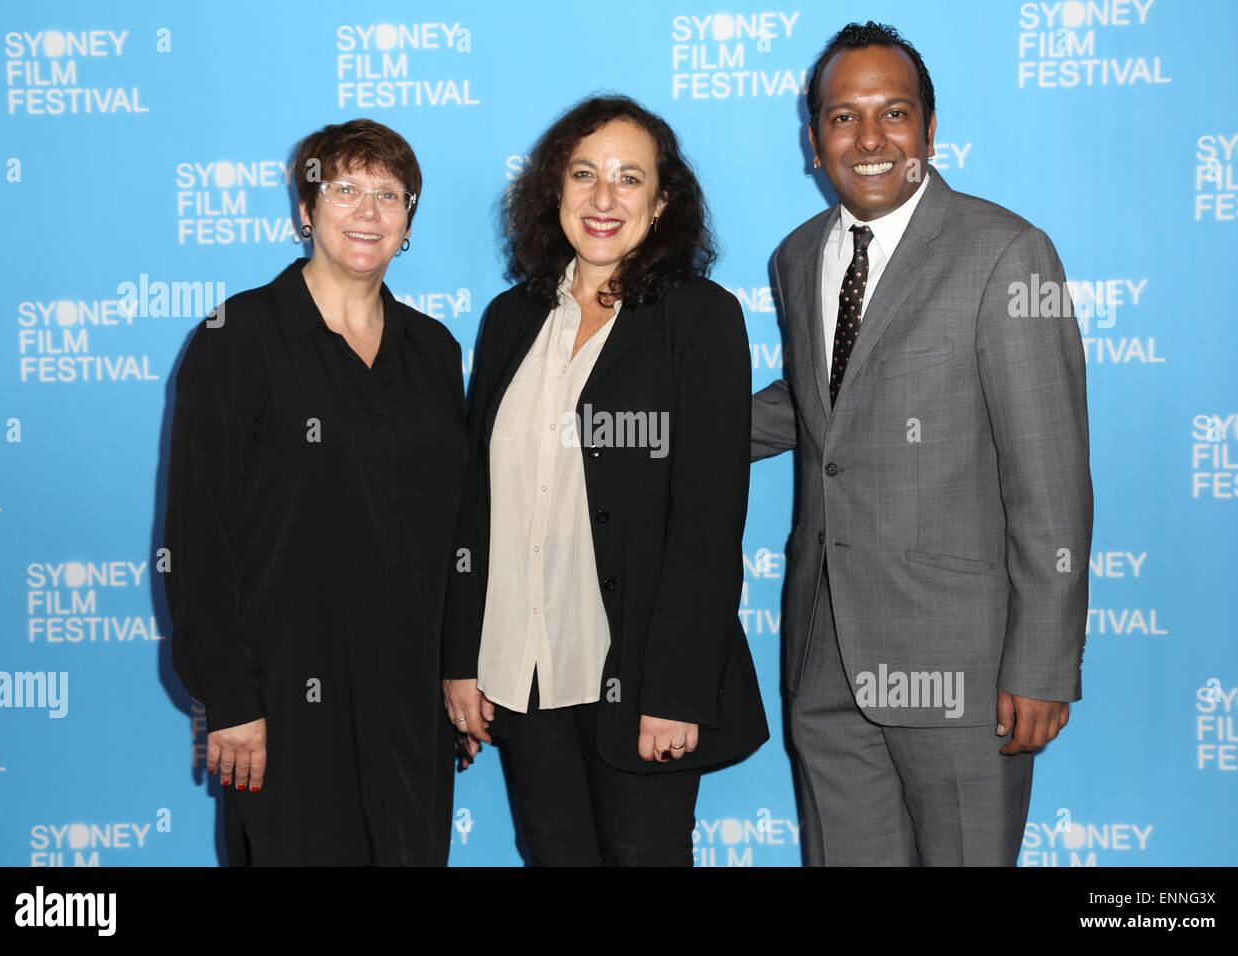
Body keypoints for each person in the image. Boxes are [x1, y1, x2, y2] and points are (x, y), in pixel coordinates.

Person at [751, 22, 1092, 866]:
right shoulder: (797, 258)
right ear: (814, 139)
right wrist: (652, 429)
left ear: (930, 130)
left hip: (966, 672)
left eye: (893, 113)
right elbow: (817, 408)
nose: (869, 140)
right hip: (824, 660)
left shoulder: (1005, 252)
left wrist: (1043, 664)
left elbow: (1049, 474)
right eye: (843, 117)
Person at [441, 95, 768, 866]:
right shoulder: (509, 319)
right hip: (522, 670)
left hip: (637, 676)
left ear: (661, 202)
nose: (603, 197)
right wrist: (462, 659)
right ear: (553, 191)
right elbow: (474, 509)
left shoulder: (701, 318)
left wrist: (676, 694)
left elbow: (709, 521)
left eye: (629, 178)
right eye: (584, 174)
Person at [164, 118, 466, 865]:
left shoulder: (434, 350)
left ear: (409, 219)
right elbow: (198, 535)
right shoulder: (235, 336)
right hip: (281, 697)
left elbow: (460, 525)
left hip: (409, 700)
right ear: (305, 209)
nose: (368, 211)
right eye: (345, 189)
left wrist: (459, 666)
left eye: (389, 194)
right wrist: (230, 702)